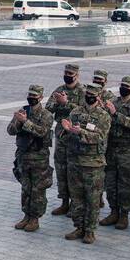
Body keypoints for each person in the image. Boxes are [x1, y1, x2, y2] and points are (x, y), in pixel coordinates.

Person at [61, 83, 110, 244]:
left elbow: (100, 137)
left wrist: (80, 132)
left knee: (92, 199)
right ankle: (79, 227)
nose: (89, 97)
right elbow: (66, 134)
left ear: (98, 97)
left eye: (92, 95)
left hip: (93, 164)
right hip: (75, 161)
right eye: (87, 94)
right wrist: (67, 130)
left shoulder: (103, 116)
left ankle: (90, 230)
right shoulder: (75, 112)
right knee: (76, 197)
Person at [99, 76, 130, 230]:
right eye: (122, 85)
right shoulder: (115, 102)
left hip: (128, 149)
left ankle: (124, 215)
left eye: (126, 86)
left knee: (125, 183)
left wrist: (115, 114)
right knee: (111, 182)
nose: (123, 88)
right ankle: (113, 211)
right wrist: (104, 110)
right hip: (112, 147)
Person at [8, 84, 53, 231]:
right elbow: (10, 130)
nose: (31, 98)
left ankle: (35, 218)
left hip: (38, 157)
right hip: (23, 156)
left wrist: (25, 122)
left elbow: (41, 132)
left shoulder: (46, 114)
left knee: (37, 189)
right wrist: (17, 121)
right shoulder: (23, 111)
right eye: (30, 95)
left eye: (35, 96)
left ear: (41, 97)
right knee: (26, 187)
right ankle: (26, 215)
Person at [45, 63, 85, 218]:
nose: (68, 76)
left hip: (74, 137)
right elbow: (48, 108)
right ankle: (64, 202)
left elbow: (83, 111)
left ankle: (75, 203)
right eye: (66, 73)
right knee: (61, 169)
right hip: (61, 136)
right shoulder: (59, 90)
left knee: (74, 171)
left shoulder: (82, 91)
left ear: (77, 76)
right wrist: (57, 102)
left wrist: (66, 103)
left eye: (71, 74)